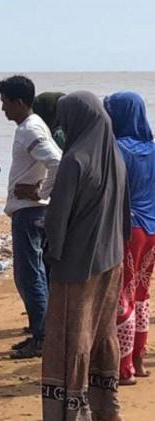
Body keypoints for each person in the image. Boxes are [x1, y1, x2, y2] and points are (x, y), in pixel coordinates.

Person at [41, 91, 129, 421]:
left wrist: (52, 254)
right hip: (112, 260)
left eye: (63, 120)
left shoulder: (75, 160)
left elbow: (57, 219)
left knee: (69, 336)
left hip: (76, 265)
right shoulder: (116, 156)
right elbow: (125, 211)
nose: (61, 127)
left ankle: (70, 416)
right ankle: (108, 406)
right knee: (103, 333)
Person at [0, 76, 62, 359]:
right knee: (38, 273)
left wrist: (41, 191)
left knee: (29, 274)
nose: (2, 109)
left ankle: (42, 336)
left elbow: (57, 161)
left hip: (30, 211)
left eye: (4, 103)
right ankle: (42, 331)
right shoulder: (33, 126)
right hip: (34, 209)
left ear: (19, 102)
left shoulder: (30, 128)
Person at [104, 91, 155, 385]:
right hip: (151, 229)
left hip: (129, 229)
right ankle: (139, 357)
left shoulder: (118, 149)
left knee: (122, 295)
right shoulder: (151, 148)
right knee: (141, 293)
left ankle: (124, 367)